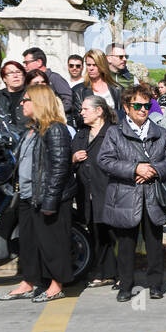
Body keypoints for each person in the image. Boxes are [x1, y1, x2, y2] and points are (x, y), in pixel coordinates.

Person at [97, 84, 166, 301]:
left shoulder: (160, 133)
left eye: (147, 105)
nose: (143, 109)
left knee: (154, 243)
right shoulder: (114, 132)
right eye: (137, 106)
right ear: (126, 107)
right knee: (125, 245)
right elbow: (104, 160)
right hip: (125, 194)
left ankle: (155, 285)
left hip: (152, 195)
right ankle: (125, 286)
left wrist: (153, 170)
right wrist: (134, 169)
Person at [0, 85, 75, 303]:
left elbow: (60, 168)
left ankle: (56, 285)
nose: (21, 104)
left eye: (26, 100)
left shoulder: (55, 129)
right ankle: (28, 282)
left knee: (52, 244)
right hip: (28, 196)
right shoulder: (31, 130)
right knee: (29, 243)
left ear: (39, 102)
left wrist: (50, 201)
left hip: (47, 198)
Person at [70, 94, 118, 287]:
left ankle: (121, 273)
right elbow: (68, 161)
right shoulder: (81, 133)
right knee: (97, 235)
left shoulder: (114, 132)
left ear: (99, 111)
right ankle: (103, 272)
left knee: (115, 235)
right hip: (87, 194)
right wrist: (73, 158)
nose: (81, 113)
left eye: (85, 109)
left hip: (109, 191)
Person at [20, 47, 75, 120]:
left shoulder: (55, 78)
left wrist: (52, 114)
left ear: (39, 62)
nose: (24, 66)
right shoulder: (27, 81)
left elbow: (68, 101)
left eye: (26, 63)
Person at [71, 49, 123, 117]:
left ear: (102, 66)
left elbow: (123, 115)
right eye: (88, 65)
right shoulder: (78, 90)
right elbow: (78, 118)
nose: (91, 68)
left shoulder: (118, 89)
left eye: (95, 65)